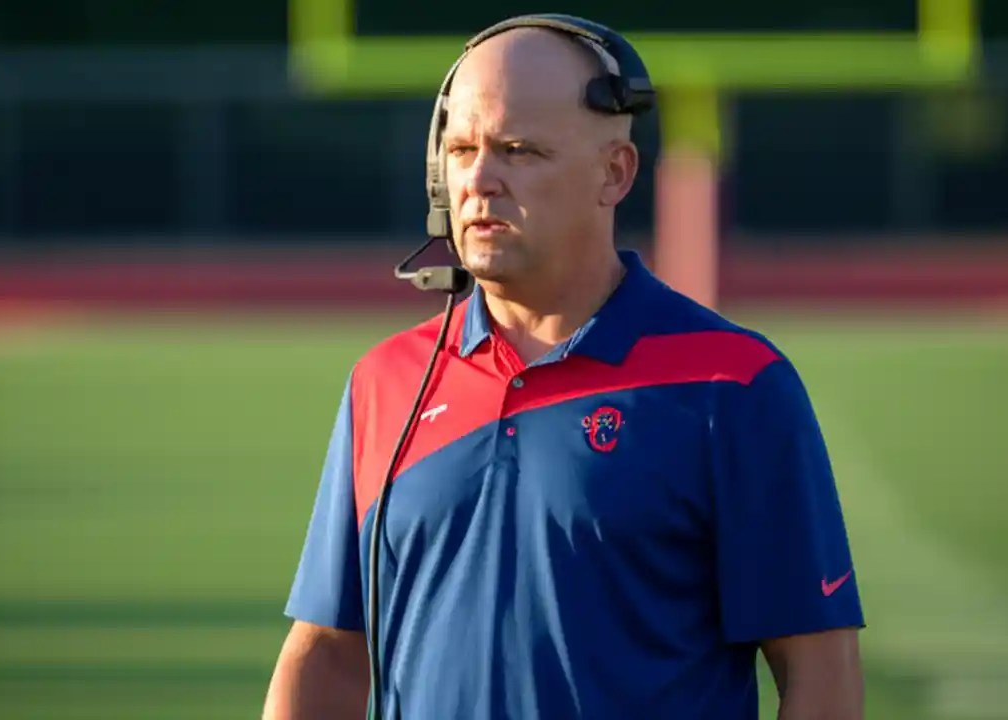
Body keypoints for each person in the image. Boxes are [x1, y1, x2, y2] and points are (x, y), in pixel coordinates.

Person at [263, 16, 865, 720]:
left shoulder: (732, 384)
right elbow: (329, 650)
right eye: (461, 149)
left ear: (615, 172)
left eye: (519, 151)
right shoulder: (385, 380)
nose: (479, 179)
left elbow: (819, 668)